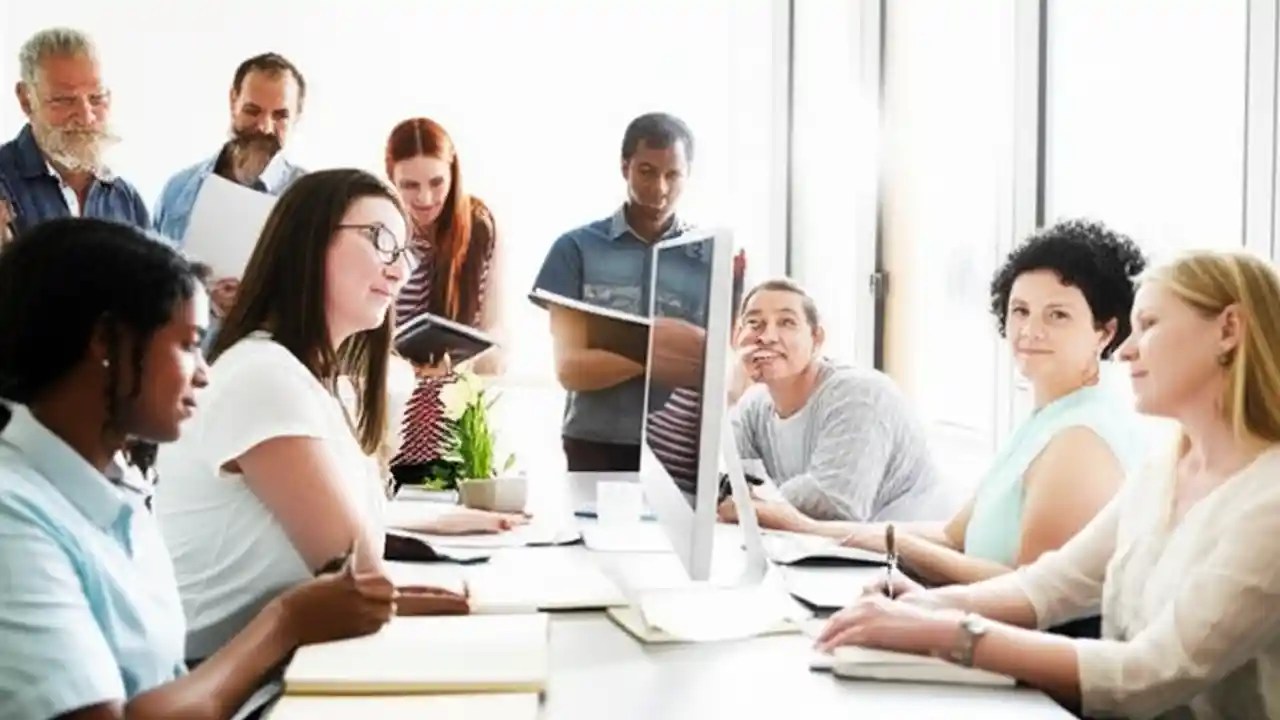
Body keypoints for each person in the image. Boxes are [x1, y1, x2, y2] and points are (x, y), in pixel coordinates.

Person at [817, 249, 1280, 719]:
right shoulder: (1166, 467)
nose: (1125, 351)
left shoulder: (1269, 502)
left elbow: (1150, 673)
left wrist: (944, 632)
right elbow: (1051, 585)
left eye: (1151, 324)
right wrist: (925, 607)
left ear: (1228, 330)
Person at [0, 218, 394, 720]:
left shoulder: (117, 490)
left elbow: (162, 684)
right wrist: (284, 622)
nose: (205, 373)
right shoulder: (13, 519)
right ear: (105, 341)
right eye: (188, 345)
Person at [152, 169, 511, 663]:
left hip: (285, 661)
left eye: (404, 250)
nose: (399, 271)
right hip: (232, 681)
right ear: (308, 243)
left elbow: (354, 546)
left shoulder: (310, 378)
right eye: (380, 240)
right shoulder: (264, 377)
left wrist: (436, 525)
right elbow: (359, 578)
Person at [829, 221, 1148, 598]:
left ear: (1105, 332)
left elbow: (1033, 594)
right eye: (1020, 311)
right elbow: (951, 537)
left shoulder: (1082, 438)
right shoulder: (1048, 419)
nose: (1030, 330)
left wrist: (888, 546)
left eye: (1057, 315)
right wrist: (804, 530)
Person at [532, 111, 699, 471]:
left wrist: (615, 353)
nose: (660, 188)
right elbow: (570, 368)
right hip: (594, 444)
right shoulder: (574, 249)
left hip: (681, 450)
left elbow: (711, 369)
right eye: (647, 171)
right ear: (625, 167)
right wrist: (663, 350)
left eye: (673, 175)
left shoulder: (710, 258)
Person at [717, 278, 948, 529]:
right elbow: (724, 483)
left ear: (816, 339)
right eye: (754, 323)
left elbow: (835, 503)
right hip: (818, 550)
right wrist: (730, 395)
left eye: (787, 322)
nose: (768, 336)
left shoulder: (859, 395)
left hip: (903, 556)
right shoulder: (753, 405)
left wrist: (753, 502)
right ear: (737, 337)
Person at [383, 117, 505, 487]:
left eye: (437, 182)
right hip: (390, 415)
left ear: (453, 174)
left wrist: (460, 366)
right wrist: (403, 369)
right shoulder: (380, 230)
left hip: (456, 417)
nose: (425, 198)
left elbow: (497, 336)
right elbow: (360, 335)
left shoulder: (480, 227)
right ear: (390, 179)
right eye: (409, 185)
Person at [153, 52, 308, 326]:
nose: (264, 127)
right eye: (252, 111)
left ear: (297, 118)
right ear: (232, 101)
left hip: (264, 359)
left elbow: (319, 298)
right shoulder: (179, 190)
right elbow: (151, 283)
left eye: (280, 115)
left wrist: (258, 301)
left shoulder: (310, 197)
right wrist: (202, 295)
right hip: (186, 356)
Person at [0, 28, 148, 236]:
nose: (86, 118)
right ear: (26, 100)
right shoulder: (4, 185)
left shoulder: (125, 199)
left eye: (96, 98)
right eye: (64, 100)